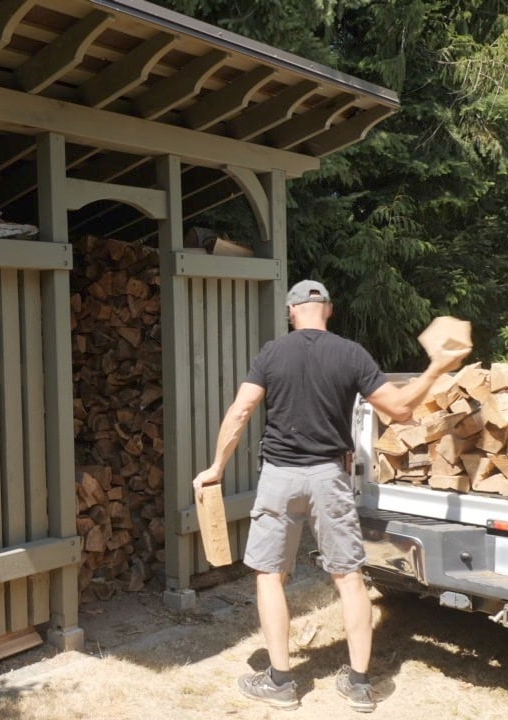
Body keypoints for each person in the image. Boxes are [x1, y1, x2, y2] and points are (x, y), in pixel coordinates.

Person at [192, 279, 469, 713]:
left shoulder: (272, 353)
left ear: (291, 311)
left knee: (269, 575)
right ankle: (359, 684)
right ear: (329, 309)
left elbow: (241, 410)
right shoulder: (351, 353)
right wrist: (435, 369)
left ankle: (281, 681)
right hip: (329, 479)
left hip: (280, 477)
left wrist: (216, 468)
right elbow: (398, 409)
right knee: (349, 577)